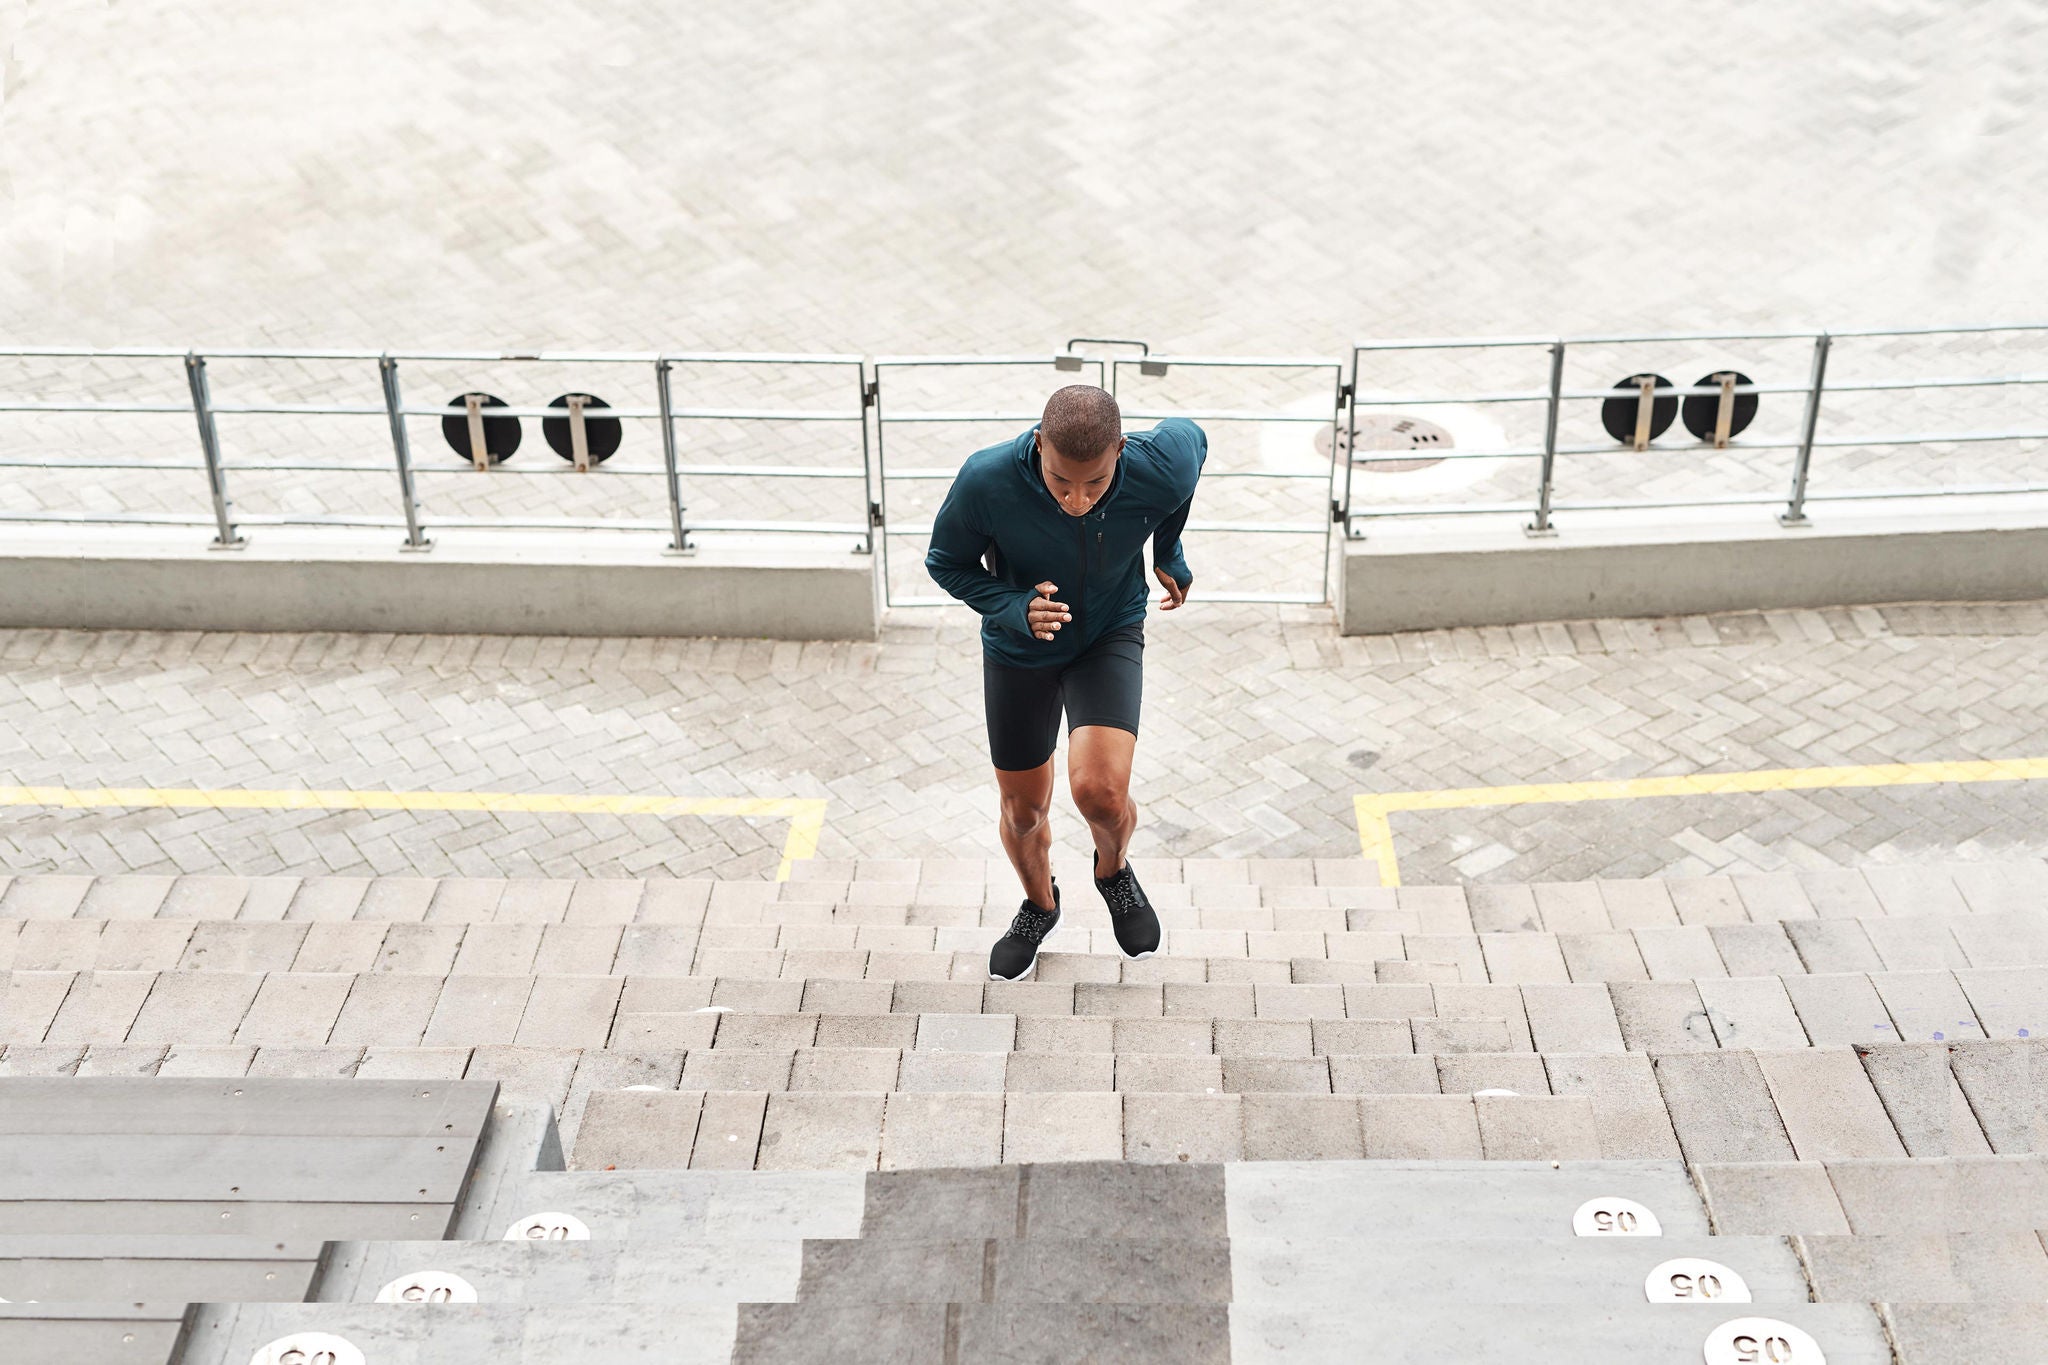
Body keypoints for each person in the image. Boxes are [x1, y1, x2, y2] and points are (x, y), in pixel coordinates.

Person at [925, 383, 1206, 981]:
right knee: (1024, 810)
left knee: (1100, 793)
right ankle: (1039, 905)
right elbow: (944, 563)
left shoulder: (1161, 466)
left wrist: (1169, 546)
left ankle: (1113, 873)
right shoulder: (986, 479)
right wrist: (1010, 606)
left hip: (1107, 635)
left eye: (1096, 484)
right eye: (1060, 482)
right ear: (1037, 444)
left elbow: (1194, 444)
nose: (1077, 499)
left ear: (1122, 452)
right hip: (1018, 649)